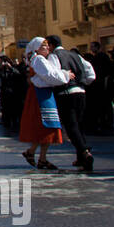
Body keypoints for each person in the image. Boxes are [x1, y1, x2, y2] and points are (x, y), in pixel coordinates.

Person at [20, 37, 72, 171]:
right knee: (45, 125)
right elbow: (50, 76)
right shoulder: (38, 59)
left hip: (44, 94)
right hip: (40, 95)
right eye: (44, 47)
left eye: (48, 46)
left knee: (48, 125)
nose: (47, 48)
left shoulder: (43, 59)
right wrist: (65, 76)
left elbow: (51, 74)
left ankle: (39, 156)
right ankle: (35, 153)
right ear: (37, 49)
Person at [47, 34, 94, 173]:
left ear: (50, 45)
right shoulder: (75, 55)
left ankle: (85, 152)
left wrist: (65, 79)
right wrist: (82, 83)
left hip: (66, 93)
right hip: (81, 92)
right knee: (79, 126)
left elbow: (55, 76)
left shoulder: (54, 56)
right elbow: (91, 74)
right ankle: (81, 157)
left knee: (71, 126)